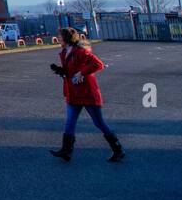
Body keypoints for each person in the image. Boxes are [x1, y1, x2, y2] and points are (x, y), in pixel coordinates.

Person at [49, 26, 125, 162]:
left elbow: (98, 64)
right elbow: (71, 70)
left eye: (60, 36)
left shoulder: (80, 52)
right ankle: (66, 151)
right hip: (73, 93)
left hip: (87, 93)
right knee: (69, 122)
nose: (58, 38)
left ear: (66, 38)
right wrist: (62, 71)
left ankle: (117, 148)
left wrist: (81, 73)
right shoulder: (64, 52)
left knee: (98, 122)